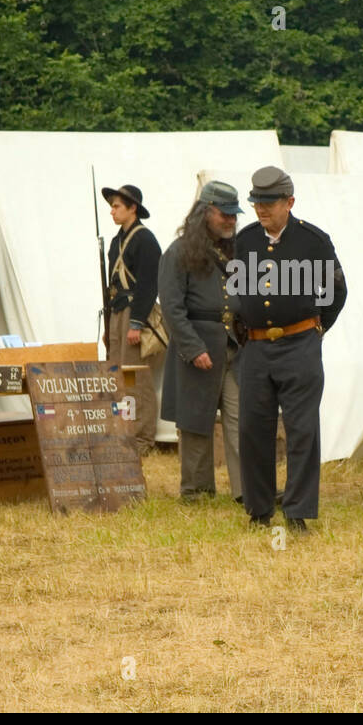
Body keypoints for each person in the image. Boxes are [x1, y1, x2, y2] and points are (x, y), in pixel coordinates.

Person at [233, 166, 347, 531]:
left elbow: (335, 292)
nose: (261, 209)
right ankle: (259, 510)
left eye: (269, 202)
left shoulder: (313, 241)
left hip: (300, 345)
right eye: (256, 203)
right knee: (253, 429)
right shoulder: (246, 240)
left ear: (290, 202)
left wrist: (315, 330)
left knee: (302, 431)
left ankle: (297, 512)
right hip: (255, 349)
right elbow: (236, 291)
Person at [158, 181, 245, 500]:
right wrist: (193, 348)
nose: (231, 221)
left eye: (234, 215)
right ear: (205, 212)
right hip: (196, 347)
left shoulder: (235, 251)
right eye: (225, 214)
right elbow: (171, 307)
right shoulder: (178, 252)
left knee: (240, 420)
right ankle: (197, 491)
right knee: (195, 422)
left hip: (234, 350)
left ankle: (245, 490)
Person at [102, 183, 163, 454]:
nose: (112, 211)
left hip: (134, 312)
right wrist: (109, 326)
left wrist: (136, 322)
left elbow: (150, 285)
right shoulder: (116, 241)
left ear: (132, 208)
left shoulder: (146, 240)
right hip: (116, 312)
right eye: (112, 206)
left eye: (117, 206)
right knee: (117, 375)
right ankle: (122, 431)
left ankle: (141, 438)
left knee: (136, 379)